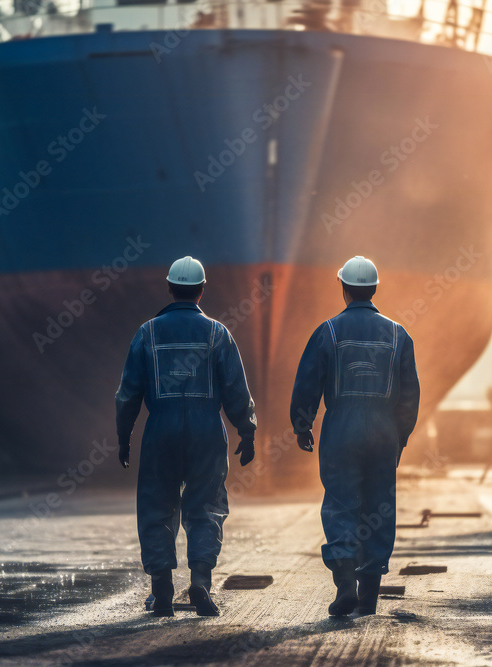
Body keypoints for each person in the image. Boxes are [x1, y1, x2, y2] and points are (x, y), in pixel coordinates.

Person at [115, 256, 258, 617]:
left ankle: (161, 589)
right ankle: (200, 583)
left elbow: (128, 393)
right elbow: (236, 389)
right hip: (207, 431)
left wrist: (123, 437)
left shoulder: (146, 332)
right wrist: (247, 428)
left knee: (156, 506)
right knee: (206, 506)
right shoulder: (218, 333)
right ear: (202, 290)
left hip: (160, 430)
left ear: (169, 287)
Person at [290, 256, 421, 617]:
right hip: (384, 431)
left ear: (344, 288)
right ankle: (369, 597)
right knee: (379, 507)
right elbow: (410, 395)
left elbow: (307, 383)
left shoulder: (327, 332)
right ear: (374, 289)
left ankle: (345, 584)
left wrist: (302, 426)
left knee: (342, 503)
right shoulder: (399, 334)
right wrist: (400, 436)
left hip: (341, 430)